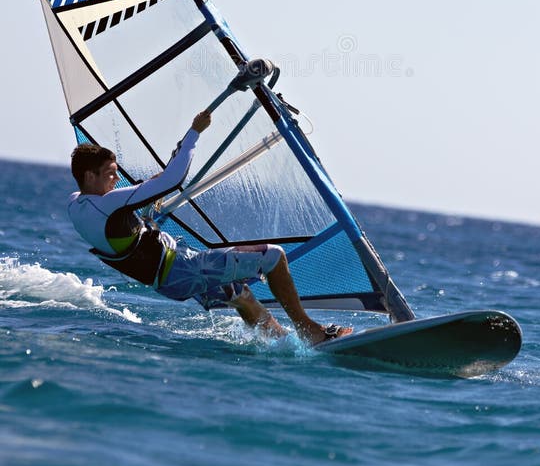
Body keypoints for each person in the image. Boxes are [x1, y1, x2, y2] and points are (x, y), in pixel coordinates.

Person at [68, 109, 352, 346]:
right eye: (109, 174)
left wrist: (151, 190)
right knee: (274, 256)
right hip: (184, 268)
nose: (116, 179)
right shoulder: (106, 205)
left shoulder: (77, 206)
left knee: (241, 296)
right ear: (89, 176)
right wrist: (194, 133)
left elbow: (128, 213)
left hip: (169, 283)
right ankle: (310, 332)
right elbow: (173, 179)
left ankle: (281, 342)